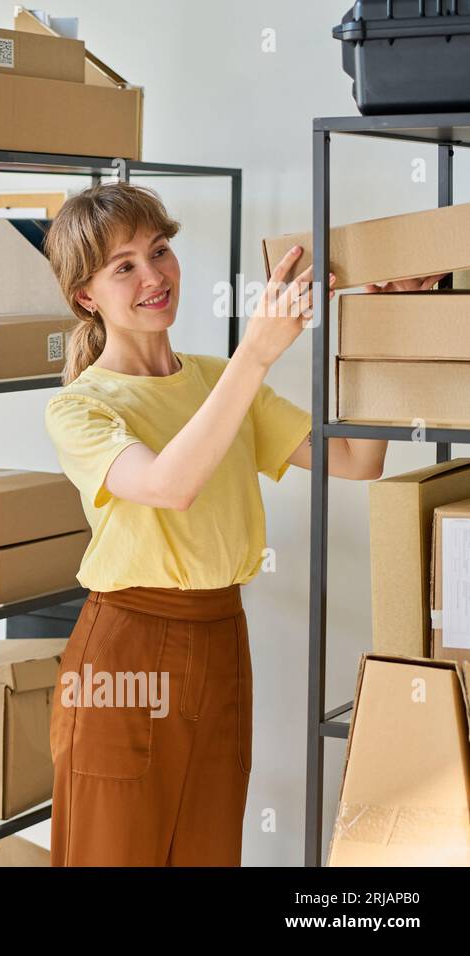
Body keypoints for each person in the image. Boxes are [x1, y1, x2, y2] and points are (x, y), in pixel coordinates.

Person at [41, 182, 443, 866]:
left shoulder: (214, 379)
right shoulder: (81, 407)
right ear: (86, 296)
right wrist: (255, 352)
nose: (154, 276)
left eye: (160, 250)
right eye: (124, 266)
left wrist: (386, 323)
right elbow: (169, 486)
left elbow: (356, 458)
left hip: (224, 640)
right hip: (125, 650)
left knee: (209, 851)